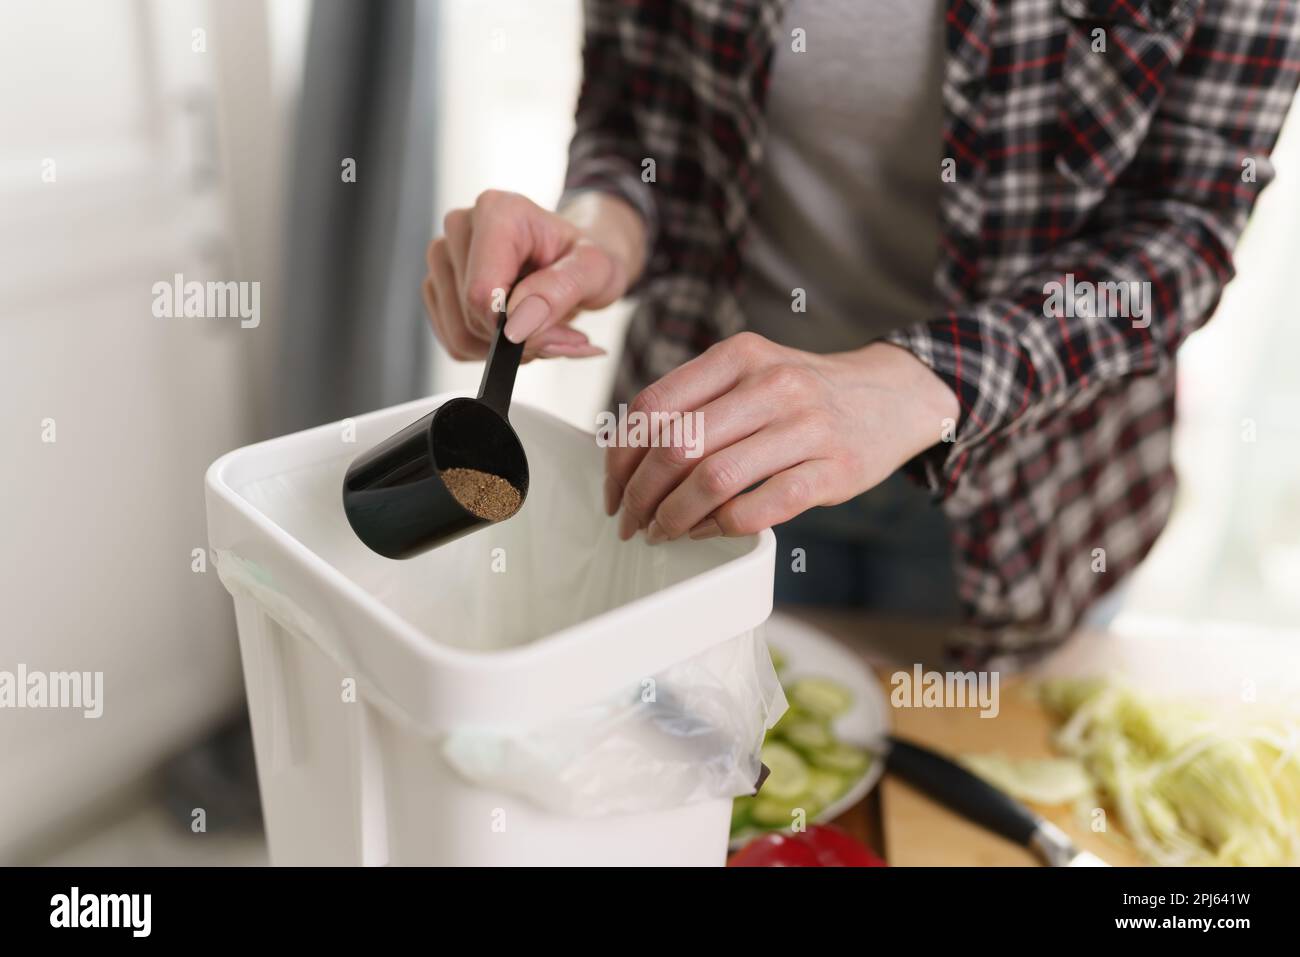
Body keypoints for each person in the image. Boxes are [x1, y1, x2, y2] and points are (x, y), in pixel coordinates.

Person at [422, 0, 1300, 664]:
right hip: (703, 457)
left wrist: (918, 379)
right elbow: (633, 113)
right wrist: (598, 230)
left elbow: (1183, 230)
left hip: (1030, 504)